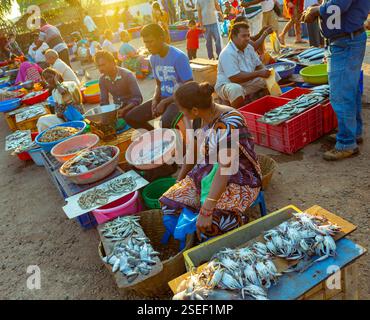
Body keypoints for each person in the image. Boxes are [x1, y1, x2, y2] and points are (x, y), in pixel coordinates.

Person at [160, 81, 262, 239]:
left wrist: (207, 208)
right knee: (169, 203)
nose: (181, 113)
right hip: (207, 170)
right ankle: (190, 237)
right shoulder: (199, 117)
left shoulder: (230, 124)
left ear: (194, 110)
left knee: (214, 223)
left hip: (239, 177)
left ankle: (225, 236)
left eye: (182, 110)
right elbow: (193, 151)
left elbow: (225, 169)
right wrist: (179, 180)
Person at [302, 0, 370, 161]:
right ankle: (354, 133)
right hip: (346, 40)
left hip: (346, 42)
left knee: (341, 95)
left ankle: (346, 143)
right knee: (349, 91)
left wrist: (316, 10)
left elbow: (338, 5)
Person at [125, 23, 193, 130]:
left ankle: (166, 138)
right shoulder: (153, 58)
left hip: (180, 100)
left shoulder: (179, 57)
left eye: (150, 41)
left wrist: (164, 102)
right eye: (145, 42)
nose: (147, 46)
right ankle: (157, 138)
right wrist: (155, 100)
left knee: (163, 123)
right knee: (131, 117)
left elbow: (189, 87)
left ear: (161, 38)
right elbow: (158, 84)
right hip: (163, 98)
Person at [216, 22, 271, 108]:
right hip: (228, 85)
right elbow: (235, 78)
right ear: (233, 37)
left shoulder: (248, 47)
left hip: (247, 82)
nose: (247, 38)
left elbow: (258, 65)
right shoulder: (227, 53)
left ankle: (270, 105)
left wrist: (265, 72)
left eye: (248, 35)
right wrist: (259, 73)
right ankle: (237, 114)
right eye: (244, 36)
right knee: (236, 90)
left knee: (272, 76)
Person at [95, 50, 143, 119]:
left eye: (103, 65)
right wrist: (107, 114)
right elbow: (104, 102)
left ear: (113, 63)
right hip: (118, 110)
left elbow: (138, 98)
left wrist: (124, 109)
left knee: (129, 116)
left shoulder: (127, 75)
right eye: (99, 66)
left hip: (132, 108)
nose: (101, 69)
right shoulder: (102, 80)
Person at [37, 68, 84, 132]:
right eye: (46, 79)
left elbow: (63, 92)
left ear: (57, 76)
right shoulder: (54, 91)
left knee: (42, 121)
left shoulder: (67, 85)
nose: (49, 80)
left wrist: (57, 82)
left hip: (75, 118)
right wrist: (58, 113)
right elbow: (58, 110)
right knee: (41, 120)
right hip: (65, 119)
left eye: (50, 77)